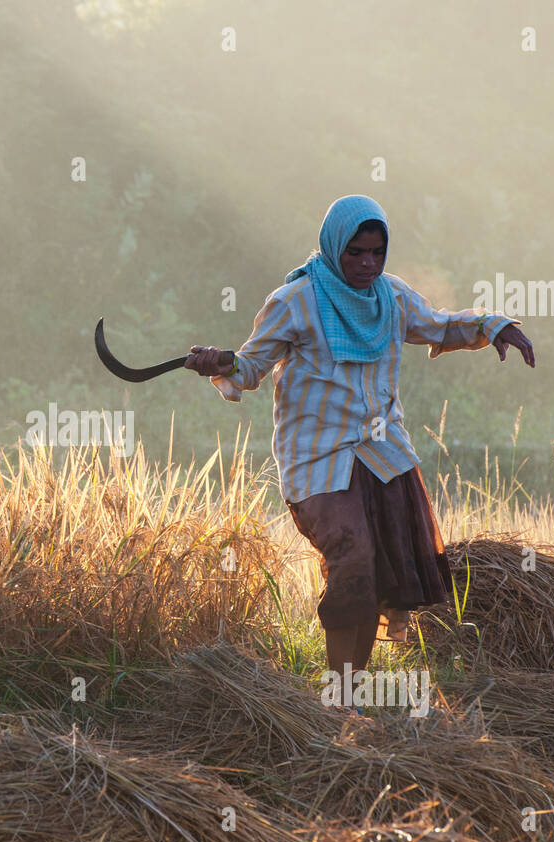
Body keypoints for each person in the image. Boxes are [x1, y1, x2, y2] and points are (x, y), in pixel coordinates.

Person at [185, 195, 535, 703]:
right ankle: (339, 690)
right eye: (356, 253)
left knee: (380, 571)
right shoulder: (295, 301)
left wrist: (492, 325)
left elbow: (439, 325)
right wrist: (219, 362)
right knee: (354, 556)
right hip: (320, 458)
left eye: (377, 253)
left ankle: (348, 696)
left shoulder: (390, 298)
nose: (368, 265)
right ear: (333, 248)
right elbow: (250, 369)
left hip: (382, 455)